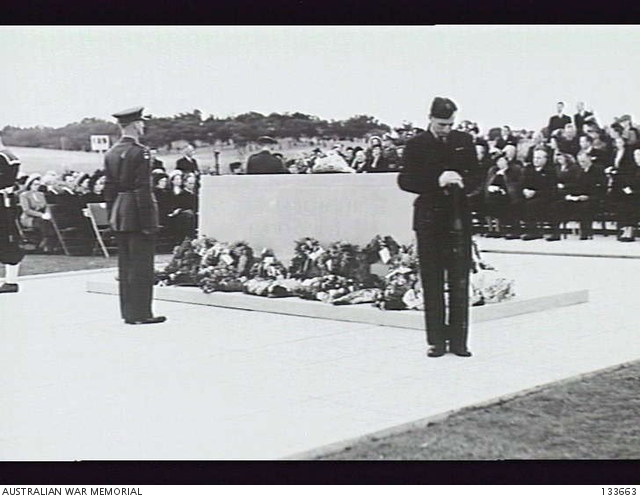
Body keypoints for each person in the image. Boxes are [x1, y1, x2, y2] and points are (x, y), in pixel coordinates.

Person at [398, 96, 476, 358]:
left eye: (451, 124)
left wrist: (464, 182)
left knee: (459, 281)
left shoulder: (463, 142)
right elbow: (405, 180)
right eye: (442, 124)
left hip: (458, 218)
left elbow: (477, 175)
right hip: (430, 220)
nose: (446, 129)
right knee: (432, 281)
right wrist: (437, 180)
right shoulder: (416, 144)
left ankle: (459, 340)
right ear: (430, 118)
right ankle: (436, 341)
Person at [103, 106, 165, 325]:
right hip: (137, 212)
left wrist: (112, 216)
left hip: (120, 211)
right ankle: (141, 313)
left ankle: (129, 312)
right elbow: (143, 189)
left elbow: (109, 189)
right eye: (142, 122)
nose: (144, 126)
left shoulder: (111, 152)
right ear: (136, 124)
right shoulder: (141, 152)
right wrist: (150, 222)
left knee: (126, 264)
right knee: (141, 265)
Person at [0, 135, 24, 293]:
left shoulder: (3, 157)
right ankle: (11, 280)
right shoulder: (9, 156)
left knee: (7, 240)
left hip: (2, 203)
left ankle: (11, 281)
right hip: (6, 202)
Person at [19, 175, 58, 253]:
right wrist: (41, 215)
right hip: (28, 218)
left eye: (38, 184)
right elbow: (26, 210)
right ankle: (44, 243)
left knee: (50, 222)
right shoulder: (24, 195)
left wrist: (47, 213)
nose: (36, 186)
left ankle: (49, 242)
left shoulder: (41, 194)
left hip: (41, 217)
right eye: (35, 184)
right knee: (42, 222)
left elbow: (46, 206)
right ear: (30, 185)